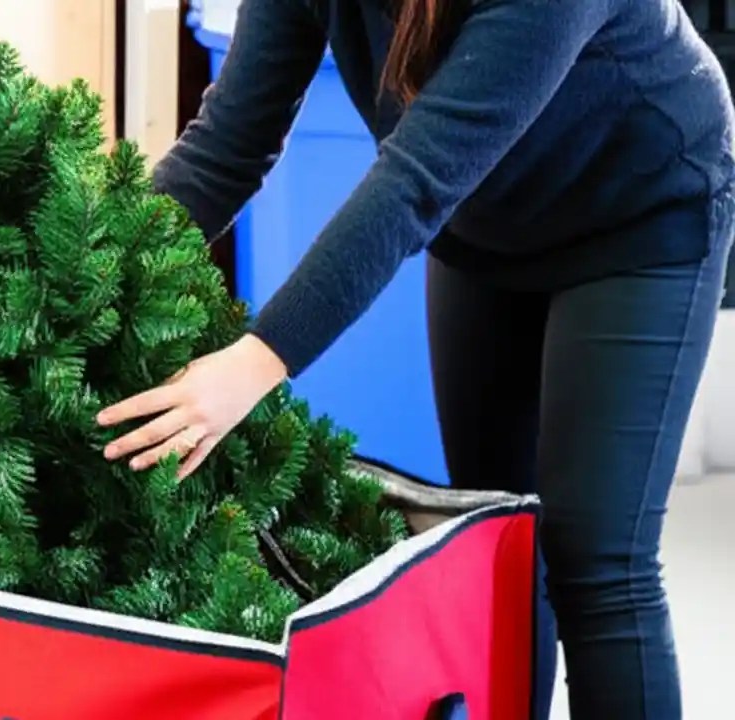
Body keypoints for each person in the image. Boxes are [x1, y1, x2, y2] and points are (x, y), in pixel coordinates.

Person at [95, 0, 735, 718]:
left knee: (596, 560)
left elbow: (411, 185)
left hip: (638, 213)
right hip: (485, 224)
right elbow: (226, 146)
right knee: (502, 538)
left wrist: (248, 367)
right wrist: (92, 279)